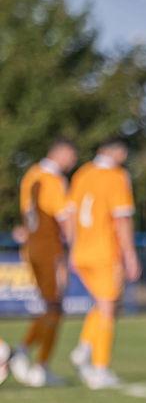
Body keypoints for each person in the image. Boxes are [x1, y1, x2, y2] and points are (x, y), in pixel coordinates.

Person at [66, 140, 140, 390]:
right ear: (113, 152)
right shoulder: (116, 176)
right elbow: (122, 218)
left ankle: (84, 348)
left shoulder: (82, 173)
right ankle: (99, 368)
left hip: (82, 252)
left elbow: (72, 215)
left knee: (102, 303)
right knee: (109, 308)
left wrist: (72, 247)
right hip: (104, 251)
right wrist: (130, 254)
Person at [9, 140, 77, 387]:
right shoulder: (51, 179)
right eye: (71, 156)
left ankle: (26, 355)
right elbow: (64, 217)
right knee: (54, 306)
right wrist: (73, 249)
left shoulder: (31, 174)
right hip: (49, 249)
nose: (72, 162)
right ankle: (35, 362)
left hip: (33, 248)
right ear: (60, 152)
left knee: (50, 306)